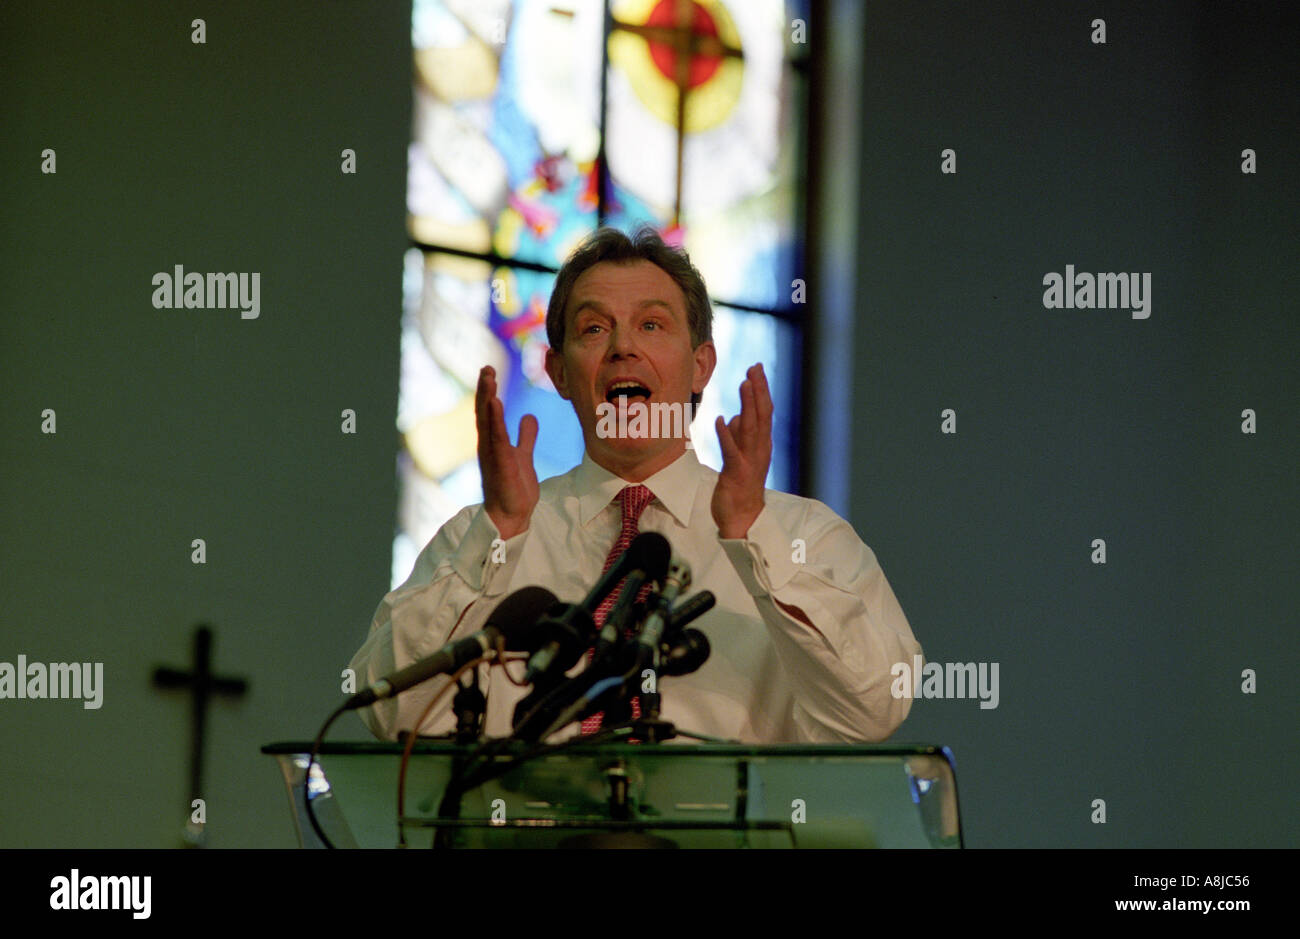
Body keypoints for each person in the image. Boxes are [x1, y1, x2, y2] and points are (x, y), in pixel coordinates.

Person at [349, 226, 922, 744]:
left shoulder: (803, 536)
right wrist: (496, 534)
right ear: (559, 373)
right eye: (594, 328)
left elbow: (873, 710)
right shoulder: (483, 536)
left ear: (700, 366)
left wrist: (753, 537)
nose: (623, 346)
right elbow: (388, 711)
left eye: (652, 324)